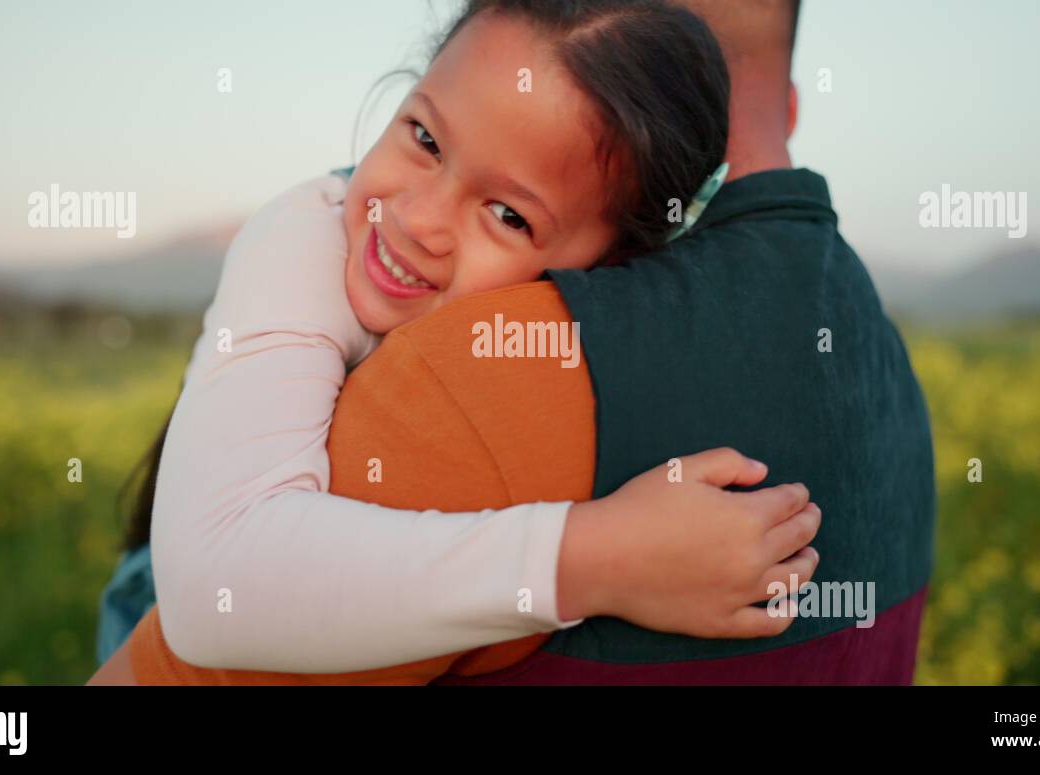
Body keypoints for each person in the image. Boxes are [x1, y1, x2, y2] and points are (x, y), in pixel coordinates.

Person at [90, 0, 825, 685]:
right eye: (425, 137)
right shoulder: (304, 235)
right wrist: (601, 557)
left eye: (507, 214)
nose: (418, 218)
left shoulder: (550, 337)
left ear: (606, 272)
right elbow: (213, 583)